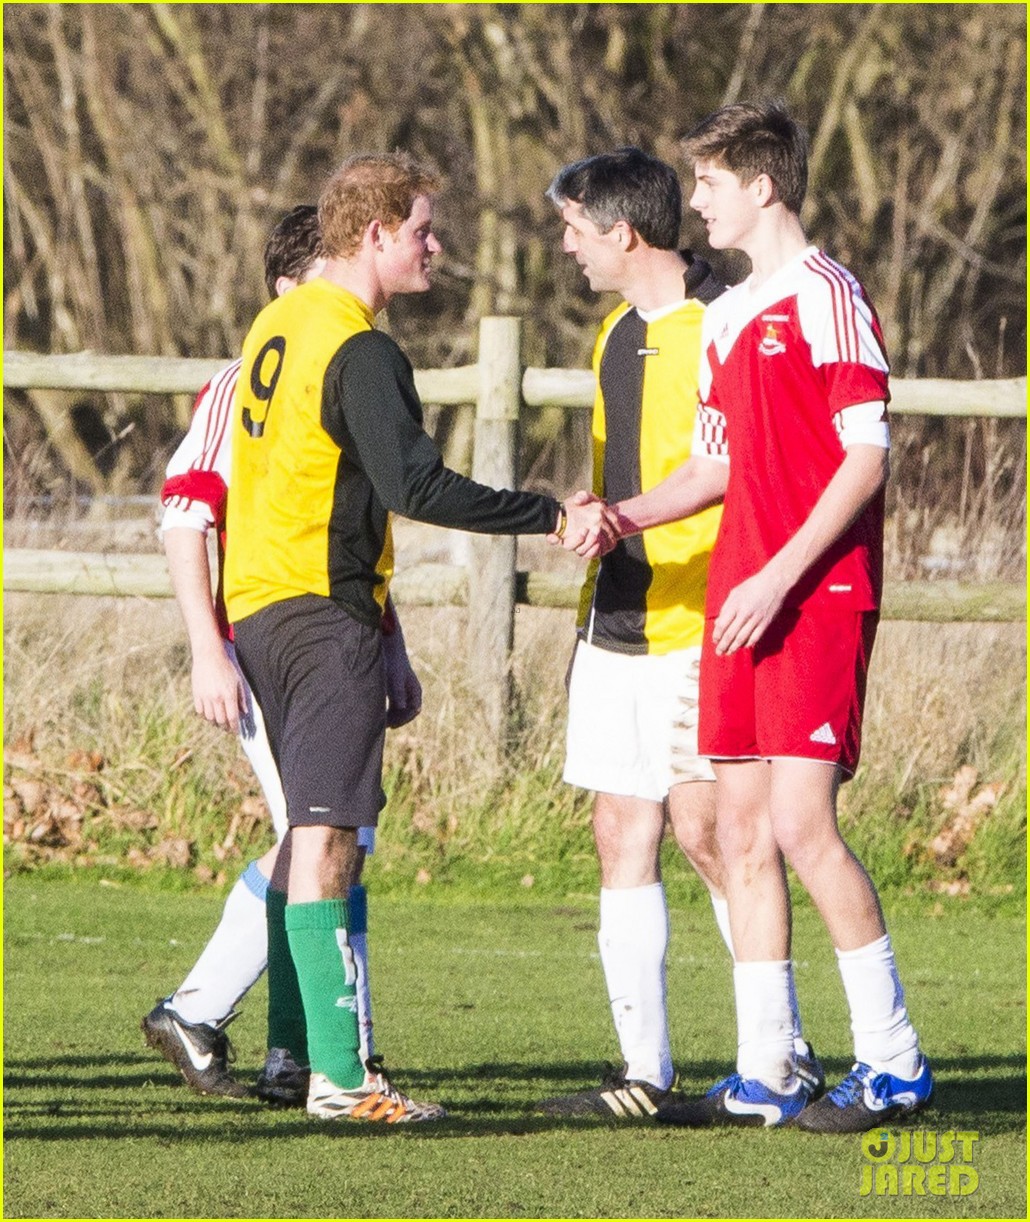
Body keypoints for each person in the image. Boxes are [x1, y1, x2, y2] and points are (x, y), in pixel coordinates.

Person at [224, 152, 611, 1125]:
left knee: (311, 832)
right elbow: (413, 487)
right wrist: (546, 513)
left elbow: (321, 488)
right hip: (321, 618)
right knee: (330, 839)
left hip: (264, 613)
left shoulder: (277, 324)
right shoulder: (361, 348)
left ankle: (313, 1061)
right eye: (425, 231)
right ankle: (342, 1080)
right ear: (375, 237)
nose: (437, 248)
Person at [603, 101, 932, 1131]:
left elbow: (864, 455)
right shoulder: (729, 315)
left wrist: (781, 574)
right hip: (740, 595)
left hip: (811, 590)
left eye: (706, 183)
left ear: (762, 186)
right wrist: (623, 514)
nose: (692, 200)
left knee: (799, 825)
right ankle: (768, 1070)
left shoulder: (830, 297)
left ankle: (894, 1062)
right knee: (738, 829)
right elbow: (714, 465)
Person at [534, 148, 822, 1121]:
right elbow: (618, 478)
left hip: (703, 621)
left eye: (575, 226)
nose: (566, 245)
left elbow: (744, 473)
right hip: (614, 624)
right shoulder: (612, 334)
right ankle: (643, 1075)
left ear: (621, 232)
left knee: (708, 832)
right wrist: (598, 525)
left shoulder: (727, 325)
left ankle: (780, 1054)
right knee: (620, 830)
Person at [142, 206, 420, 1105]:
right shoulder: (245, 381)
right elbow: (185, 514)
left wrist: (393, 642)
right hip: (268, 642)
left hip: (335, 628)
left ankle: (290, 1054)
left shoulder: (339, 366)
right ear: (283, 291)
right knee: (327, 836)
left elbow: (345, 529)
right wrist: (204, 651)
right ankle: (244, 1027)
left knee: (323, 836)